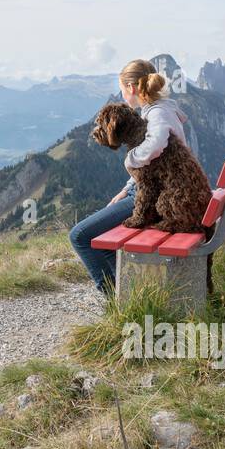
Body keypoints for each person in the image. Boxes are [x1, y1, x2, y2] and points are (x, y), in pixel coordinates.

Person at [68, 58, 190, 294]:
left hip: (151, 197)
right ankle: (129, 290)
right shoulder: (161, 110)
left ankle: (117, 301)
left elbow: (155, 148)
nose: (123, 96)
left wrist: (130, 159)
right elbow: (156, 164)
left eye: (123, 90)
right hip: (146, 190)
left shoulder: (157, 115)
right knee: (97, 235)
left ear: (132, 89)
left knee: (80, 235)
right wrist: (126, 187)